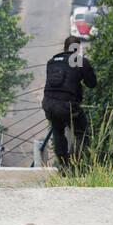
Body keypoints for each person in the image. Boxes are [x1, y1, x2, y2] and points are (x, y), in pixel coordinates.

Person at [42, 36, 98, 173]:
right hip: (67, 105)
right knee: (81, 133)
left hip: (48, 104)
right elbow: (92, 84)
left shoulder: (52, 62)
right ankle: (74, 166)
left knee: (58, 131)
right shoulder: (81, 61)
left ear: (64, 48)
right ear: (77, 50)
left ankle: (62, 165)